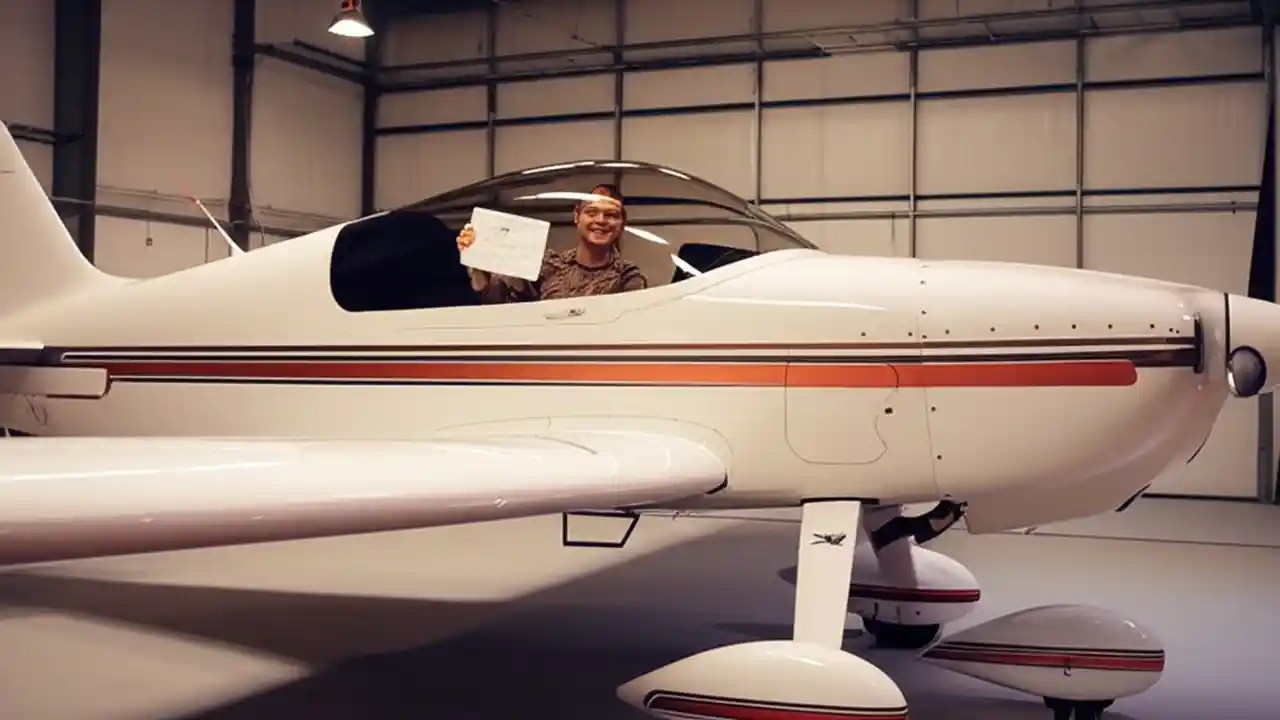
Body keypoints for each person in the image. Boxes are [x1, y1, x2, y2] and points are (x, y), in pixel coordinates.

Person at [456, 183, 648, 304]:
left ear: (622, 223)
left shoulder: (629, 277)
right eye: (591, 212)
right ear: (576, 216)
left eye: (611, 215)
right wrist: (477, 258)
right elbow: (496, 301)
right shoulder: (549, 265)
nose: (601, 220)